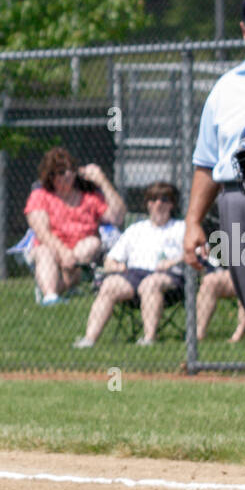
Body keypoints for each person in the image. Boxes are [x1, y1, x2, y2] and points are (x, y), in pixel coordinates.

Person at [184, 0, 245, 435]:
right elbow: (206, 164)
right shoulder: (225, 90)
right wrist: (192, 222)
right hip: (241, 205)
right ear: (244, 32)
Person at [73, 181, 185, 348]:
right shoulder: (136, 229)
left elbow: (198, 252)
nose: (158, 204)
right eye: (153, 199)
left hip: (169, 276)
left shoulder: (181, 227)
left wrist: (173, 262)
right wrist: (116, 267)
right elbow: (110, 259)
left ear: (172, 204)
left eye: (164, 199)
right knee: (109, 285)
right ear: (148, 204)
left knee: (150, 284)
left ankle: (149, 338)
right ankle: (89, 339)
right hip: (134, 274)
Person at [24, 147, 126, 303]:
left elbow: (118, 217)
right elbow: (42, 232)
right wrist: (64, 252)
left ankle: (64, 283)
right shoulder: (40, 196)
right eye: (57, 172)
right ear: (49, 176)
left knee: (92, 243)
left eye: (67, 171)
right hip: (51, 247)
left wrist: (103, 181)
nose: (64, 176)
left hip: (81, 253)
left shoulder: (90, 197)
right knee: (44, 251)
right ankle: (51, 296)